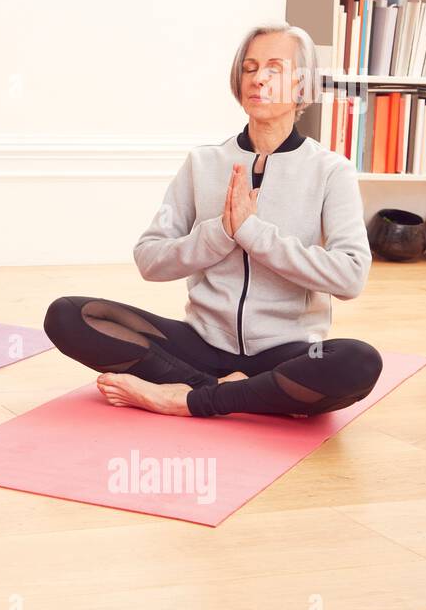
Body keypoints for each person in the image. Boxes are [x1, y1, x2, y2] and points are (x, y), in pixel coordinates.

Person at [43, 23, 383, 419]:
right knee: (68, 315)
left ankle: (184, 397)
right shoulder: (202, 163)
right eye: (250, 68)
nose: (258, 78)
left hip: (284, 351)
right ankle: (232, 394)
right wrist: (221, 233)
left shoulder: (330, 171)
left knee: (358, 361)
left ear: (302, 87)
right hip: (200, 343)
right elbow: (150, 260)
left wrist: (253, 234)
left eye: (275, 68)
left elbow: (350, 277)